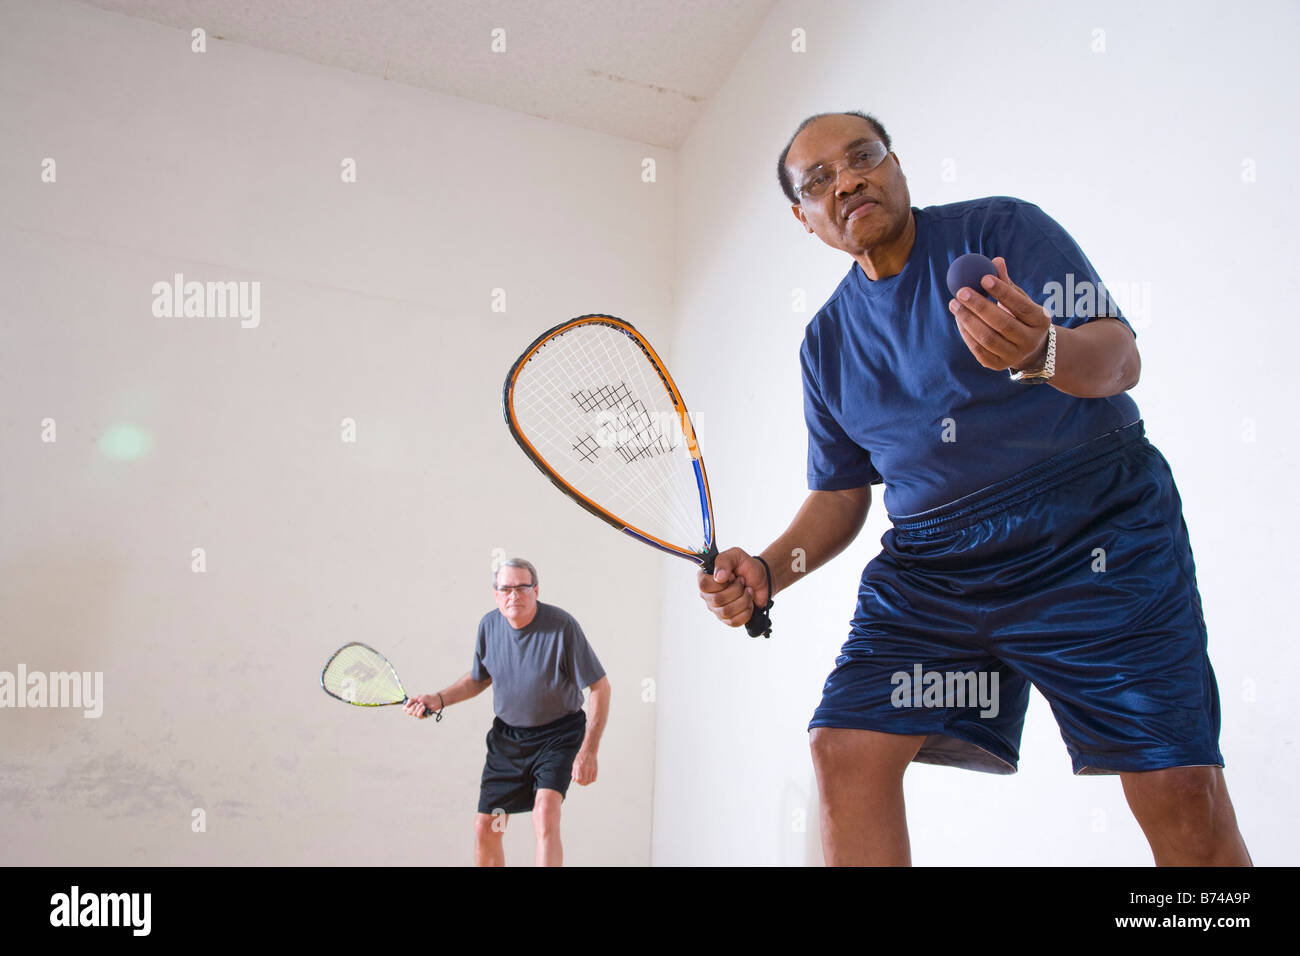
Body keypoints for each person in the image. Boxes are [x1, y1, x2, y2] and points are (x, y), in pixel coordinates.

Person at [698, 110, 1251, 867]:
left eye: (864, 158)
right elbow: (840, 497)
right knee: (846, 745)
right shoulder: (824, 343)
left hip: (1098, 533)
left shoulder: (1003, 230)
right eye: (820, 180)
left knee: (1179, 786)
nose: (848, 179)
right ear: (805, 219)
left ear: (897, 167)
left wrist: (1044, 350)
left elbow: (1119, 359)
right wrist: (768, 572)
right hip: (936, 576)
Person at [405, 558, 610, 866]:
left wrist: (589, 750)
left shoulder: (562, 627)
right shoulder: (489, 626)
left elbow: (600, 687)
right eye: (506, 589)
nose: (514, 595)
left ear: (536, 590)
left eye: (522, 587)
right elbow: (479, 678)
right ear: (496, 594)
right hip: (508, 742)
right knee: (489, 826)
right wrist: (438, 699)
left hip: (558, 736)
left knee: (545, 813)